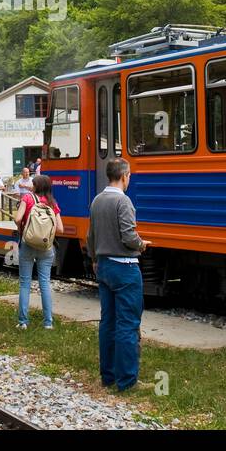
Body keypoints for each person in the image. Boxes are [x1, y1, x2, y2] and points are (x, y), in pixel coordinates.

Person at [87, 159, 147, 391]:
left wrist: (94, 258)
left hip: (103, 266)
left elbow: (90, 236)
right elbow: (129, 236)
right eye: (129, 175)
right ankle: (127, 381)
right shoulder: (123, 201)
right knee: (128, 324)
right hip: (125, 268)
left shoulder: (97, 201)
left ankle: (108, 376)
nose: (129, 179)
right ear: (124, 176)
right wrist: (142, 244)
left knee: (108, 323)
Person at [15, 174, 63, 330]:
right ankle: (48, 322)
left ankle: (23, 322)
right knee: (45, 284)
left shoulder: (28, 198)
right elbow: (60, 228)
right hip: (46, 248)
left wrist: (23, 229)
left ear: (36, 186)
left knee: (25, 283)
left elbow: (17, 218)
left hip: (28, 244)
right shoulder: (52, 203)